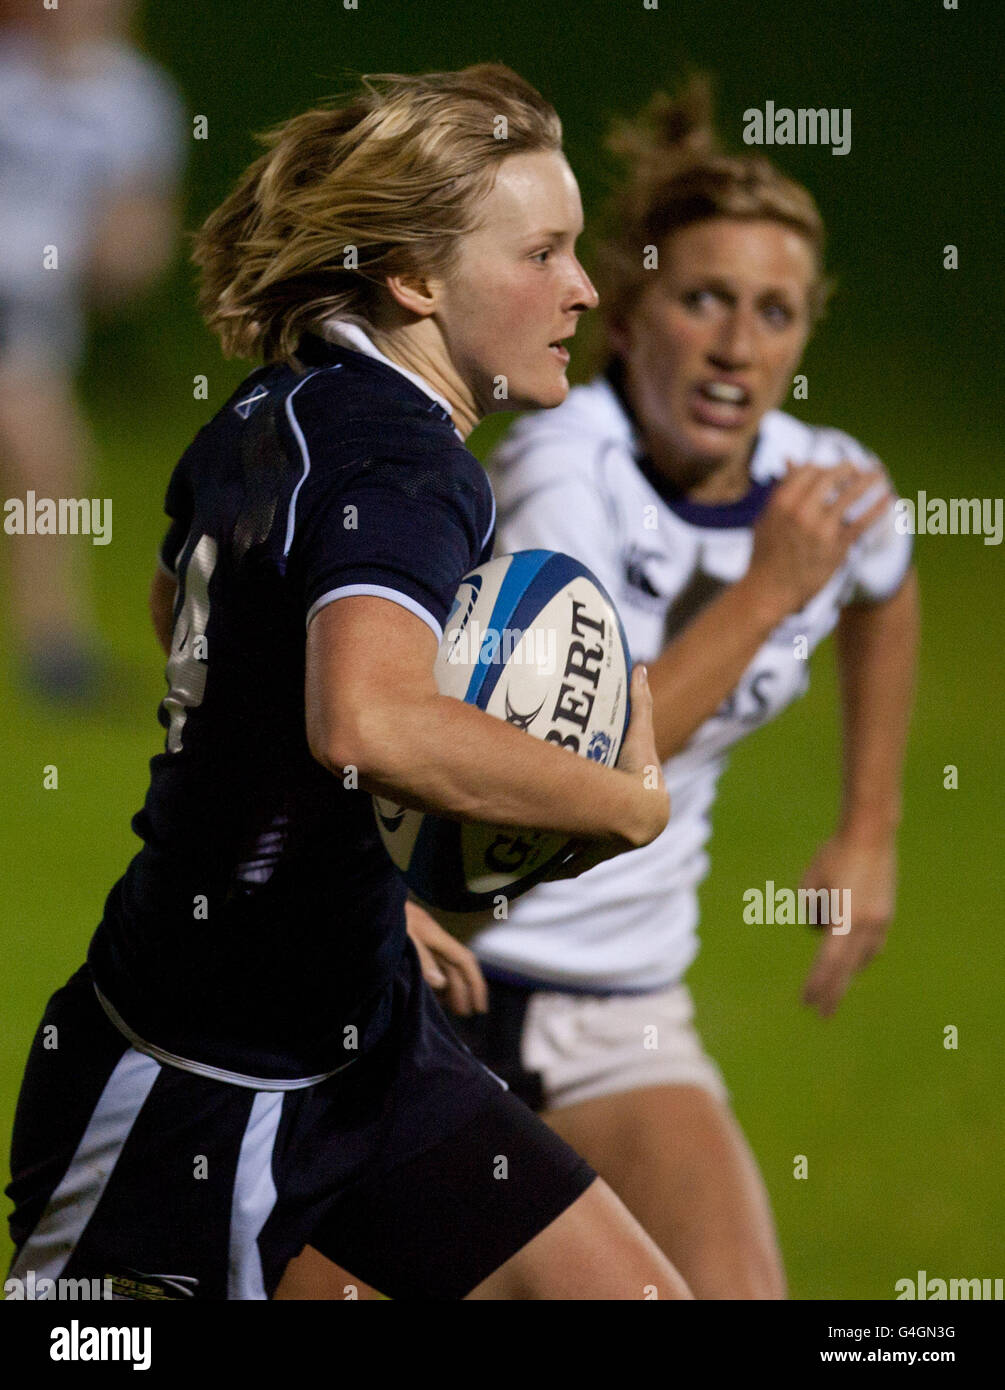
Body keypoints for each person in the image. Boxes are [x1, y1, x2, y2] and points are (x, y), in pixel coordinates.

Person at [4, 64, 693, 1302]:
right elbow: (364, 721)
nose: (583, 287)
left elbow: (195, 626)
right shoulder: (408, 461)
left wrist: (360, 874)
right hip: (201, 1088)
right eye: (543, 253)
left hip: (367, 1040)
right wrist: (626, 801)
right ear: (417, 279)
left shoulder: (283, 407)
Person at [290, 75, 920, 1300]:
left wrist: (871, 827)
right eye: (705, 300)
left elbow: (885, 587)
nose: (739, 344)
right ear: (629, 319)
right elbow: (593, 759)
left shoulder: (819, 479)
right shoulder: (565, 471)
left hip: (617, 1003)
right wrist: (764, 596)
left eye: (776, 313)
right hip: (437, 971)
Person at [0, 0, 184, 700]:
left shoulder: (135, 99)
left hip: (40, 309)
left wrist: (124, 255)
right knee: (47, 455)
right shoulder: (8, 78)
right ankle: (55, 646)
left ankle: (53, 643)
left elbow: (141, 220)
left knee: (47, 467)